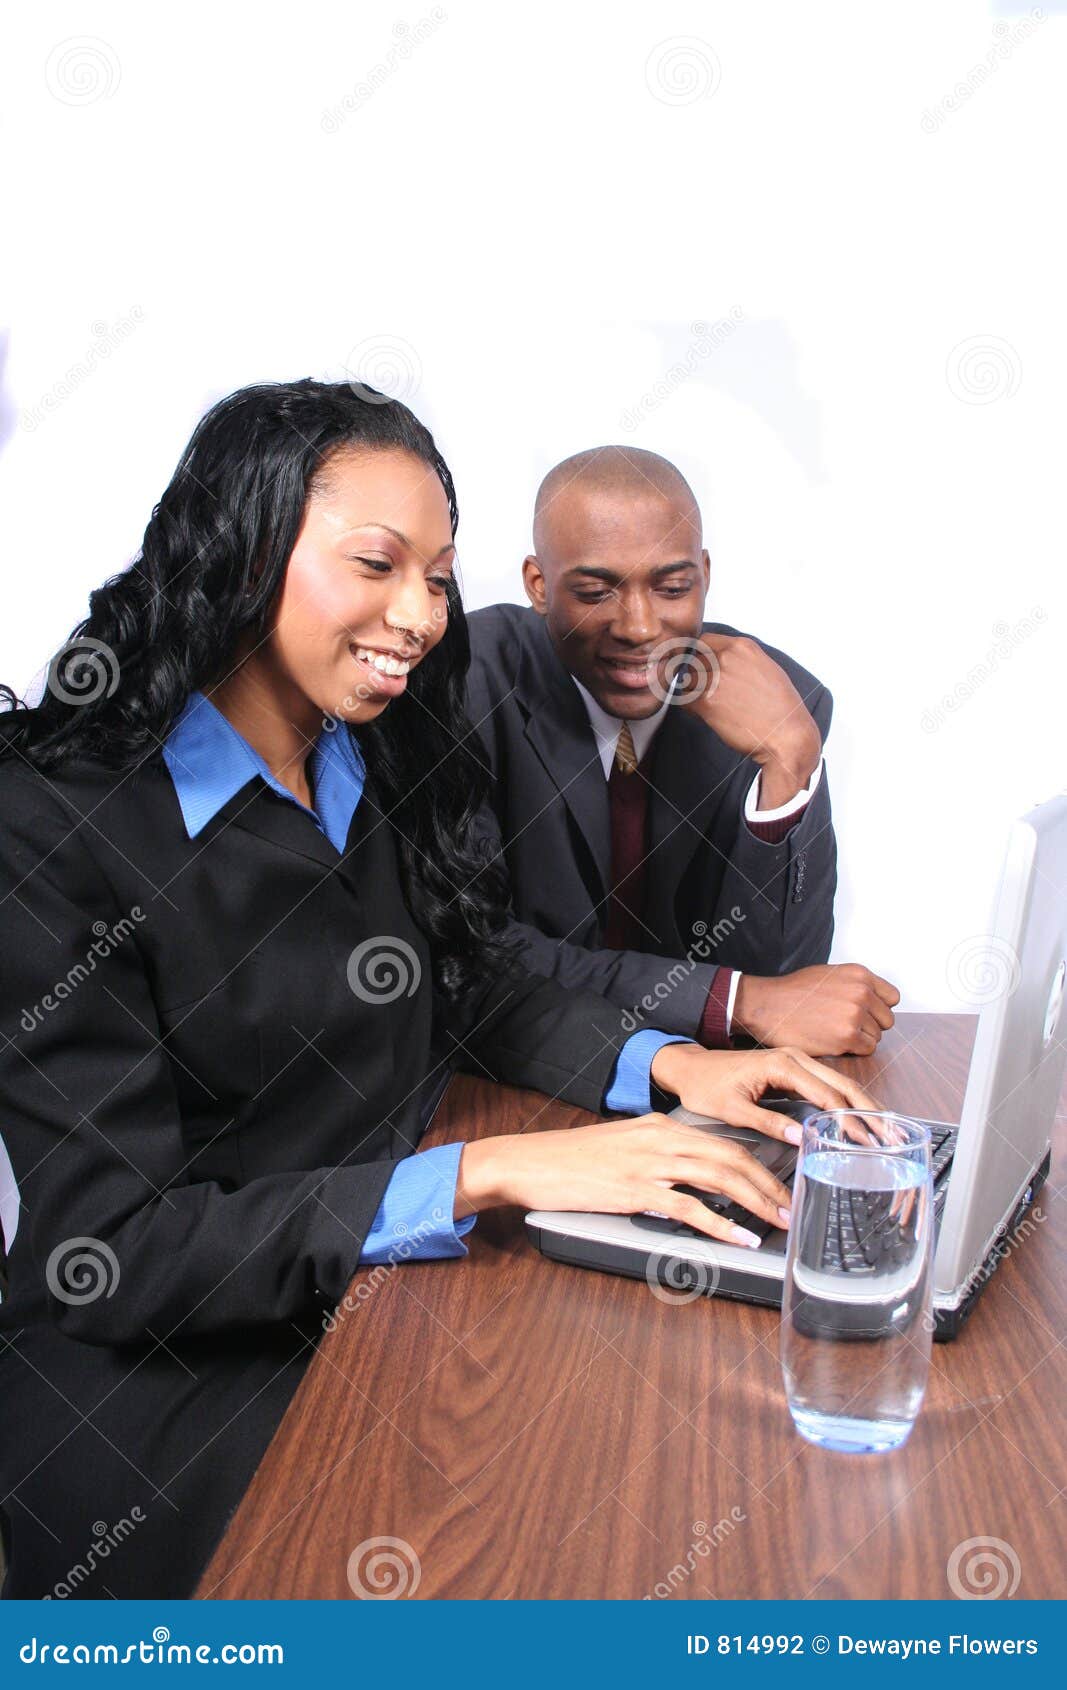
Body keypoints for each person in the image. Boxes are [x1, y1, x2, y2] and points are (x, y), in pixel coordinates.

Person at [0, 383, 876, 1599]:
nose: (417, 615)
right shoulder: (54, 826)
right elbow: (112, 1249)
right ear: (246, 551)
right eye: (378, 564)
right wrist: (489, 1172)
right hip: (183, 1392)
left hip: (386, 1299)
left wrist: (675, 1065)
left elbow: (469, 972)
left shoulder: (367, 752)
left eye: (437, 576)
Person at [465, 445, 899, 1056]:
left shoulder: (782, 704)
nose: (640, 626)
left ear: (705, 576)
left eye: (672, 587)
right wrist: (736, 1002)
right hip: (510, 1084)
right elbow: (475, 954)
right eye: (595, 591)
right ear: (539, 585)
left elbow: (787, 989)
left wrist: (791, 763)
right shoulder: (469, 680)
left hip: (705, 1098)